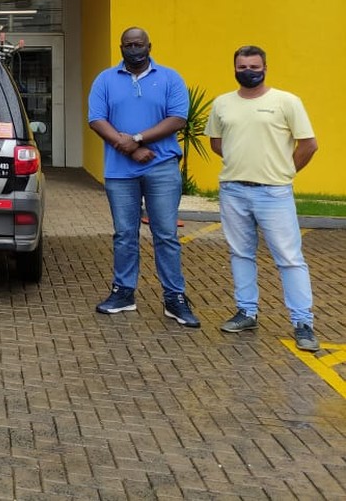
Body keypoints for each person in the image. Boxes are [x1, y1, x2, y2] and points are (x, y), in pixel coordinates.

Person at [205, 45, 321, 351]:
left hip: (274, 193)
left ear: (265, 68)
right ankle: (247, 312)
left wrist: (284, 172)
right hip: (233, 190)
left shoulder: (286, 101)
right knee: (240, 254)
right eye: (242, 66)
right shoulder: (222, 103)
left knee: (290, 258)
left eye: (254, 67)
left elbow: (309, 144)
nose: (248, 71)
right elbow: (218, 142)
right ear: (234, 68)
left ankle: (303, 322)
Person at [87, 27, 199, 327]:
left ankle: (174, 298)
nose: (134, 49)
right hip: (120, 170)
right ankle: (123, 293)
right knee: (124, 235)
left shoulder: (170, 78)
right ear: (121, 47)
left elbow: (177, 118)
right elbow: (97, 119)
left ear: (149, 46)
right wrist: (129, 149)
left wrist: (135, 138)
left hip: (161, 167)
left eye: (139, 44)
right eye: (128, 45)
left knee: (166, 234)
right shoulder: (105, 79)